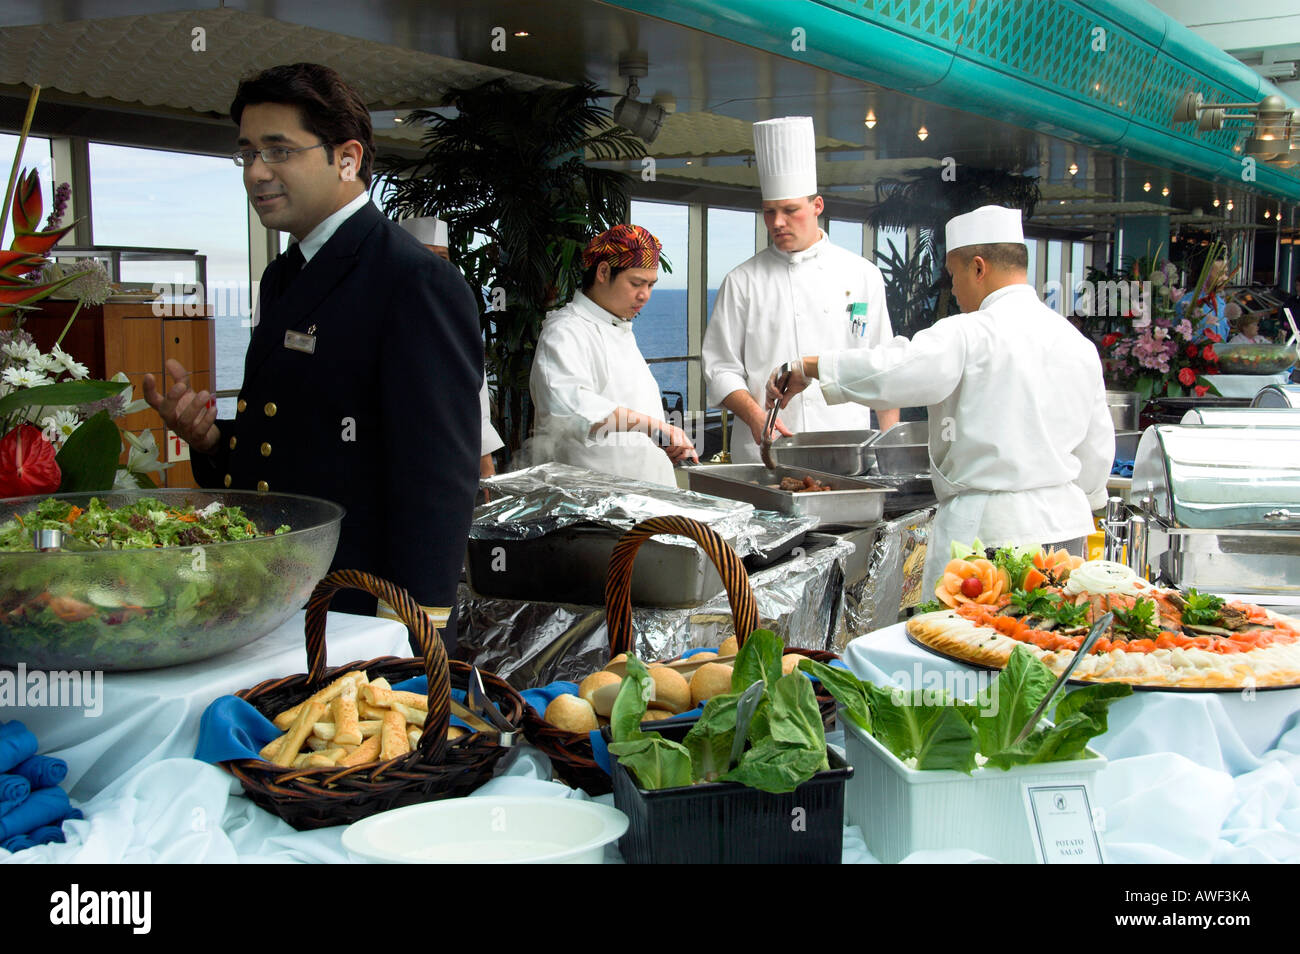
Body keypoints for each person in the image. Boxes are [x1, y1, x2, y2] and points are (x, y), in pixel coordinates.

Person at [143, 63, 482, 632]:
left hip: (355, 607)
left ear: (347, 158)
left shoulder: (411, 279)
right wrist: (211, 440)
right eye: (247, 152)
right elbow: (289, 443)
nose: (256, 172)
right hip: (275, 594)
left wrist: (411, 632)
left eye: (279, 150)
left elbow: (438, 480)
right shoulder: (284, 275)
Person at [765, 205, 1114, 598]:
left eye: (953, 275)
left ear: (978, 268)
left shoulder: (970, 333)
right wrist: (1082, 500)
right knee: (1054, 647)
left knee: (973, 650)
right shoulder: (1076, 343)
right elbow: (1096, 452)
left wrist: (809, 366)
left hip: (992, 539)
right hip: (1066, 536)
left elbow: (894, 369)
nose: (954, 289)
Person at [702, 116, 898, 464]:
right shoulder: (742, 281)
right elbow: (720, 368)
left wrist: (890, 450)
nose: (777, 223)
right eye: (769, 212)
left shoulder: (862, 275)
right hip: (765, 451)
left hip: (846, 447)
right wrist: (756, 418)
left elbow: (883, 368)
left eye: (790, 210)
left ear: (817, 206)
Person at [529, 224, 697, 486]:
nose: (645, 296)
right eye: (636, 283)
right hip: (598, 503)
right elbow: (568, 409)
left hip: (646, 496)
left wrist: (660, 437)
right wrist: (653, 426)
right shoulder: (565, 330)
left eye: (651, 285)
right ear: (604, 271)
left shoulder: (617, 327)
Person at [398, 215, 503, 477]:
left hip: (449, 461)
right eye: (424, 255)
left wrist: (486, 469)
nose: (433, 266)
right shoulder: (381, 311)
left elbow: (476, 399)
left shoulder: (456, 315)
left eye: (442, 258)